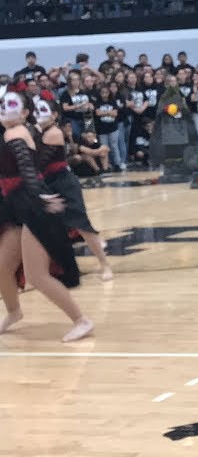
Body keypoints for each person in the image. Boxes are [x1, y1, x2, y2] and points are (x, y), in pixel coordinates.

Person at [0, 88, 93, 342]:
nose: (4, 110)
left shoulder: (16, 133)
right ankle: (14, 312)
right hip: (17, 209)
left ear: (25, 113)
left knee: (36, 275)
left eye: (11, 106)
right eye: (3, 105)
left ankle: (81, 320)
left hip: (33, 207)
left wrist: (40, 195)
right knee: (3, 268)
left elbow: (27, 169)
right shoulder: (14, 131)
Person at [32, 91, 112, 281]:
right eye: (37, 111)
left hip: (64, 184)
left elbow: (39, 161)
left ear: (54, 115)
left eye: (44, 112)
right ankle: (58, 269)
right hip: (47, 185)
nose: (39, 115)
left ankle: (105, 265)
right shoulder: (37, 132)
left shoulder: (54, 133)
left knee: (82, 226)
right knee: (48, 230)